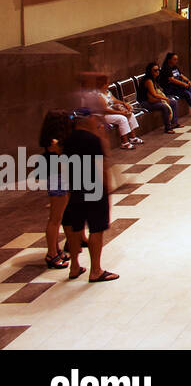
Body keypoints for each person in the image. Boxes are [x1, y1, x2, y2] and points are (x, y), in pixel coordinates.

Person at [61, 113, 117, 281]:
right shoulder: (93, 139)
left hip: (75, 188)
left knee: (75, 228)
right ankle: (96, 271)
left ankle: (75, 267)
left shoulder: (67, 140)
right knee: (96, 229)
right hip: (94, 188)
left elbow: (64, 167)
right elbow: (101, 167)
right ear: (88, 121)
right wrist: (106, 189)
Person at [39, 111, 75, 270]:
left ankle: (56, 249)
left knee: (58, 217)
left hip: (59, 177)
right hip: (58, 178)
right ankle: (51, 254)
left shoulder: (52, 139)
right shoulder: (54, 142)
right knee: (55, 218)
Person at [81, 74, 142, 150]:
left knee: (130, 114)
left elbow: (115, 100)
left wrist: (124, 104)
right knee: (122, 119)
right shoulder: (98, 95)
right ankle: (124, 142)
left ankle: (133, 137)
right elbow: (105, 110)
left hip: (111, 112)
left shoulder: (107, 92)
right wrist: (121, 113)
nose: (109, 84)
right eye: (107, 83)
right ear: (102, 84)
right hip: (102, 115)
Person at [139, 62, 181, 132]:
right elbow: (154, 94)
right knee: (164, 106)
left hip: (154, 100)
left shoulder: (154, 79)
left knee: (173, 102)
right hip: (145, 102)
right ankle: (168, 128)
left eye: (158, 70)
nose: (157, 72)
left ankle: (174, 123)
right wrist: (165, 98)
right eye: (155, 70)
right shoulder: (148, 80)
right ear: (150, 71)